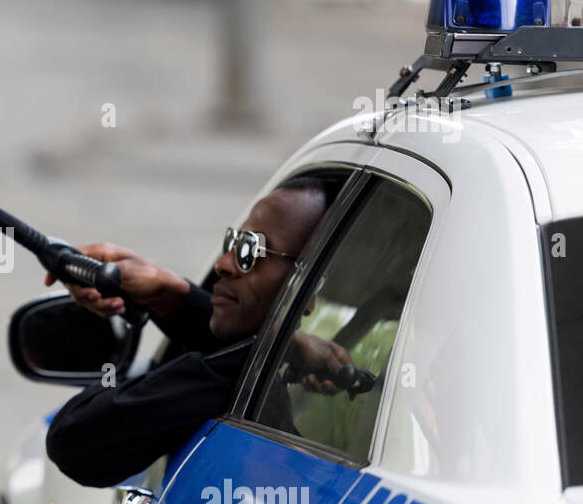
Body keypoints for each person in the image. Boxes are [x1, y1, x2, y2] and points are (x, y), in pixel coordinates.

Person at [43, 177, 352, 487]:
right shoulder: (252, 378)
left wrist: (267, 348)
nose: (222, 265)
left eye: (250, 250)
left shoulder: (229, 380)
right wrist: (170, 292)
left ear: (308, 287)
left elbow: (71, 439)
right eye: (232, 243)